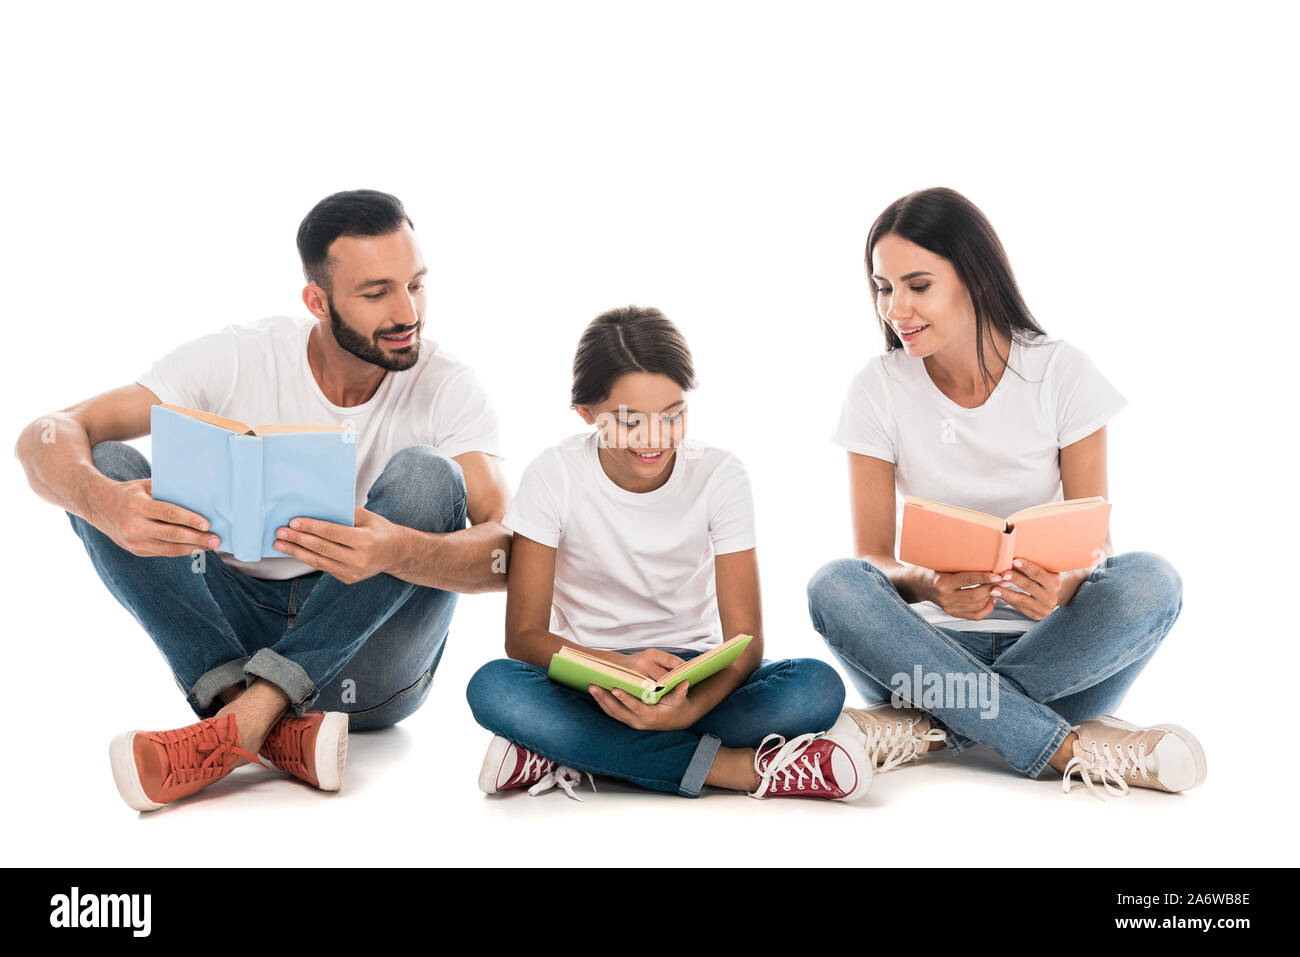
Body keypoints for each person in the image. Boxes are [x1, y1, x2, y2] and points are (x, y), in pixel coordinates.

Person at [14, 189, 511, 811]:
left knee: (428, 476)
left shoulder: (450, 386)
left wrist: (395, 550)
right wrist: (104, 503)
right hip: (235, 639)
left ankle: (243, 719)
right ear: (317, 301)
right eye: (376, 292)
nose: (407, 310)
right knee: (103, 469)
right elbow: (47, 433)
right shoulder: (238, 357)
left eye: (416, 283)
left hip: (372, 663)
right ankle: (262, 722)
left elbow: (506, 552)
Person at [806, 187, 1206, 799]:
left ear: (973, 277)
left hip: (1057, 653)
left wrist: (1068, 585)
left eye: (918, 286)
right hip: (921, 651)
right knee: (834, 585)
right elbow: (872, 561)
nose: (896, 309)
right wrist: (928, 585)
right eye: (883, 288)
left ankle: (924, 732)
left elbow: (1095, 542)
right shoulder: (877, 387)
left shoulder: (1061, 372)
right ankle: (1075, 748)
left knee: (1152, 579)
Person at [467, 305, 871, 802]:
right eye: (630, 421)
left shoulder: (721, 476)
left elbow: (746, 638)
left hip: (695, 676)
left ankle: (564, 749)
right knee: (494, 686)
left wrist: (691, 706)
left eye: (673, 415)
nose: (655, 438)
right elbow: (524, 637)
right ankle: (738, 769)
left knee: (816, 686)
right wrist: (619, 666)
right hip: (590, 681)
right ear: (587, 414)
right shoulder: (554, 476)